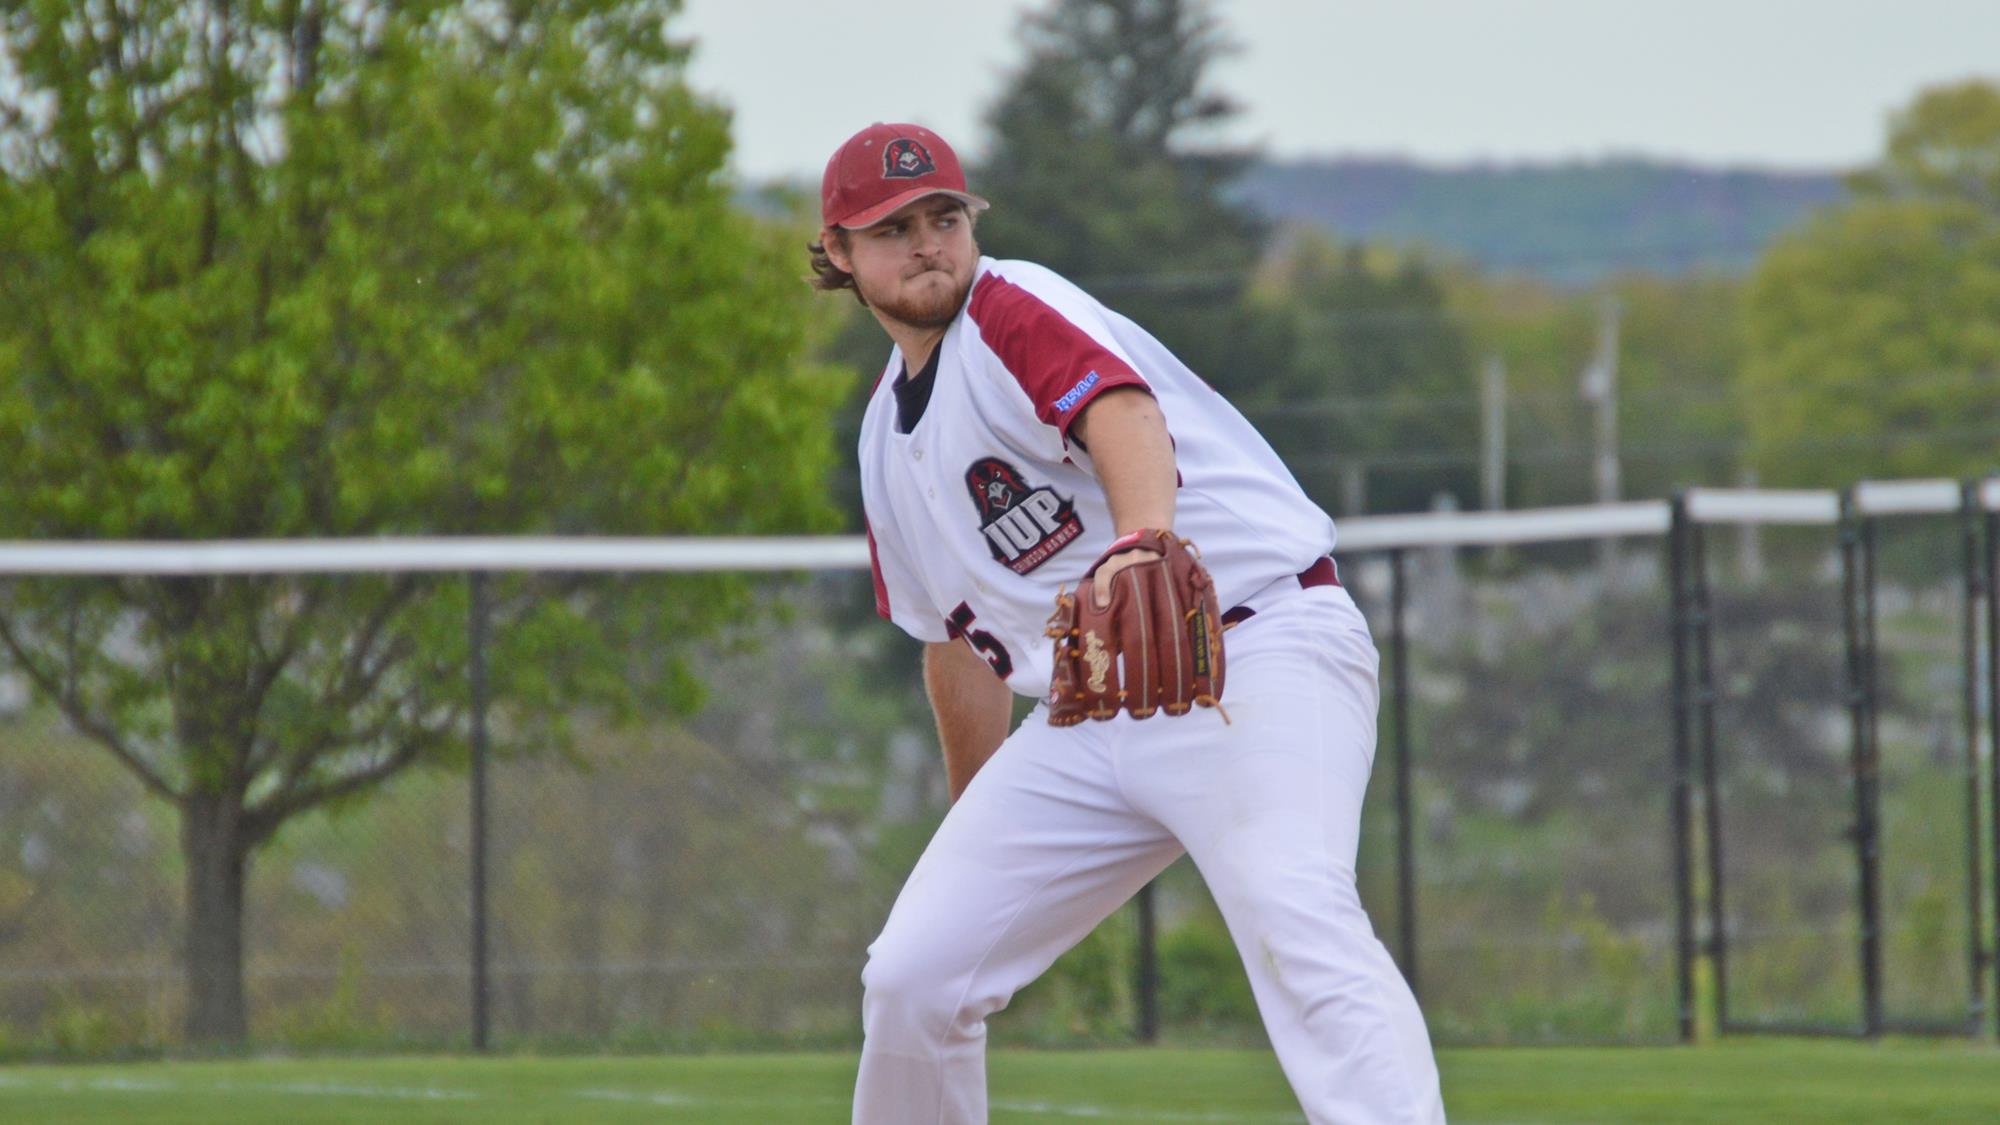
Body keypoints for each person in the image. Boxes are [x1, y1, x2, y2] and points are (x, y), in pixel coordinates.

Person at [811, 122, 1446, 1125]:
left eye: (942, 217)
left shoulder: (1008, 309)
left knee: (1293, 912)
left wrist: (1143, 542)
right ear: (839, 256)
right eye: (891, 228)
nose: (926, 242)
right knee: (914, 977)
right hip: (1087, 712)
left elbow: (1119, 412)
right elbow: (951, 645)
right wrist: (983, 826)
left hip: (1253, 653)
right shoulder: (887, 442)